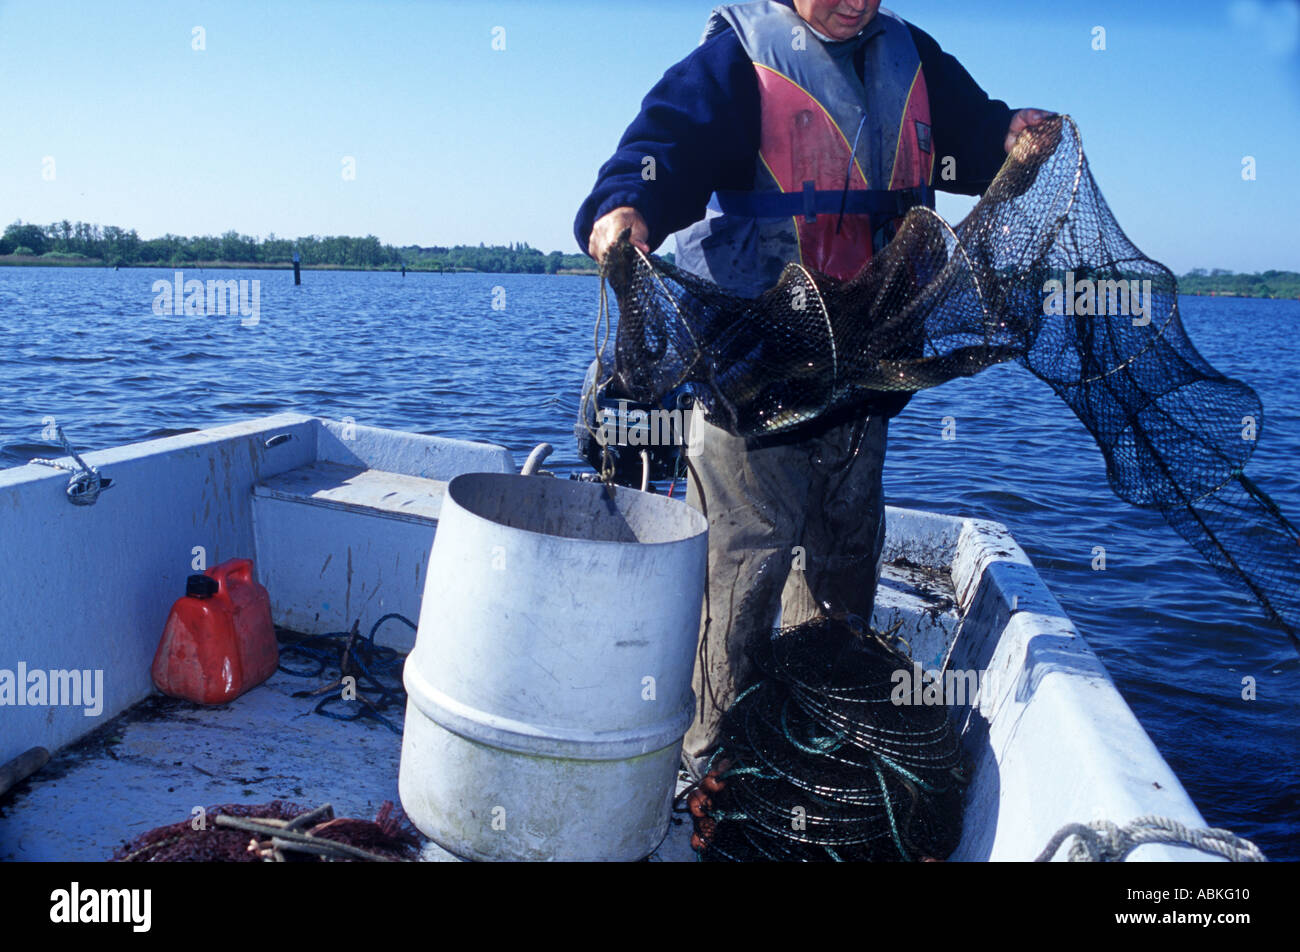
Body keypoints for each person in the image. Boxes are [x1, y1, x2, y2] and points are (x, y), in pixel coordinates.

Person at [574, 0, 1054, 778]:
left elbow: (966, 146)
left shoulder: (911, 55)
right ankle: (716, 765)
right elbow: (662, 148)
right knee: (745, 562)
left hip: (866, 366)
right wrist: (623, 206)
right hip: (753, 367)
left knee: (845, 551)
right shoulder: (738, 59)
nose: (853, 2)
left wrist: (1007, 136)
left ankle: (817, 735)